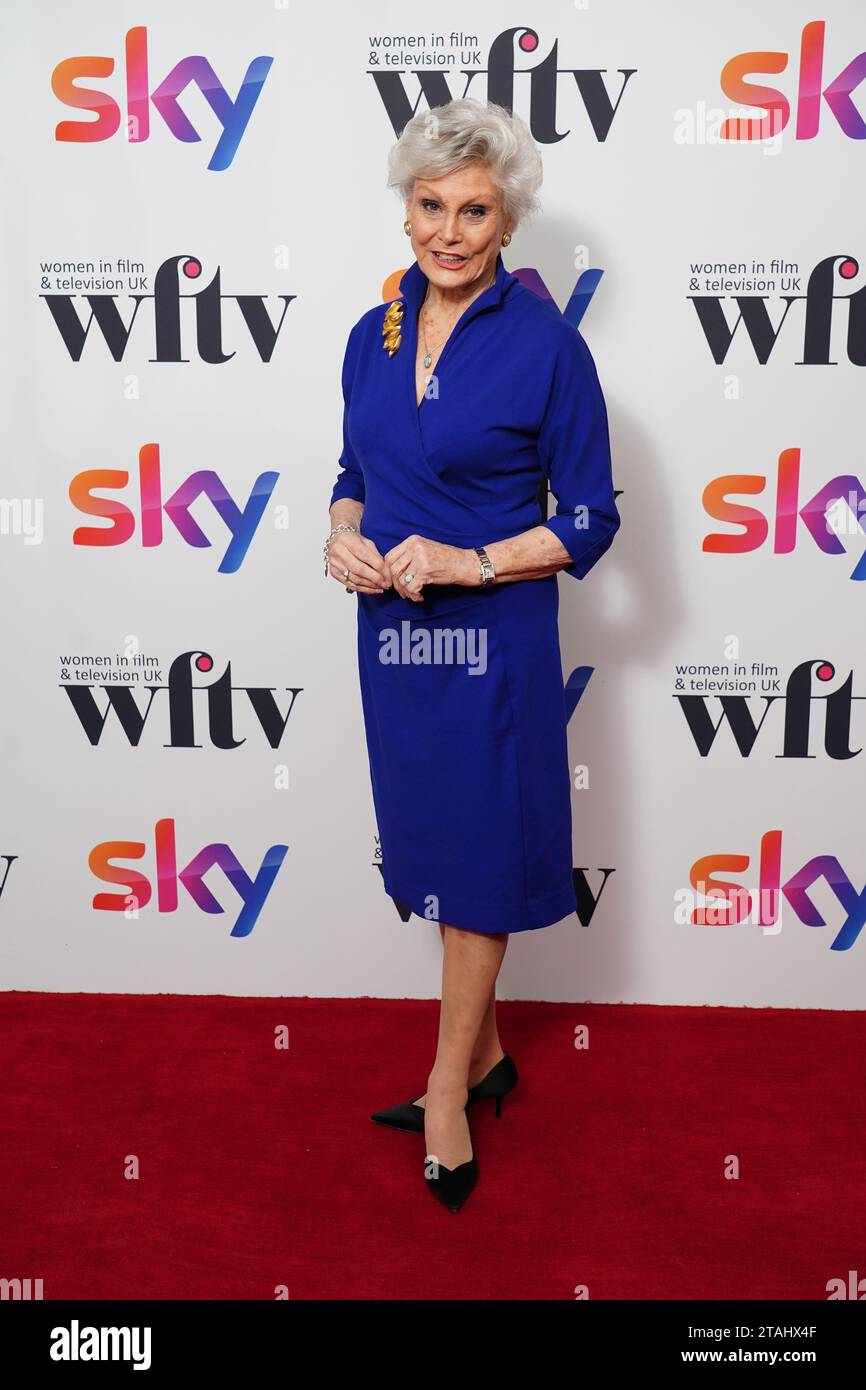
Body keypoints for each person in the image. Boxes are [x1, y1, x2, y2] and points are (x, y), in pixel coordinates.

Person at [325, 98, 620, 1212]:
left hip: (490, 641)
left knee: (483, 859)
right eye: (429, 204)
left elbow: (588, 518)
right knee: (436, 851)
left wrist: (470, 562)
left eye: (474, 211)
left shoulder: (547, 346)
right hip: (389, 641)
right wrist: (341, 535)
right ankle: (491, 1055)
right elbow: (348, 467)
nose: (447, 232)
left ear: (508, 222)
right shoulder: (372, 330)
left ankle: (446, 1087)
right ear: (406, 205)